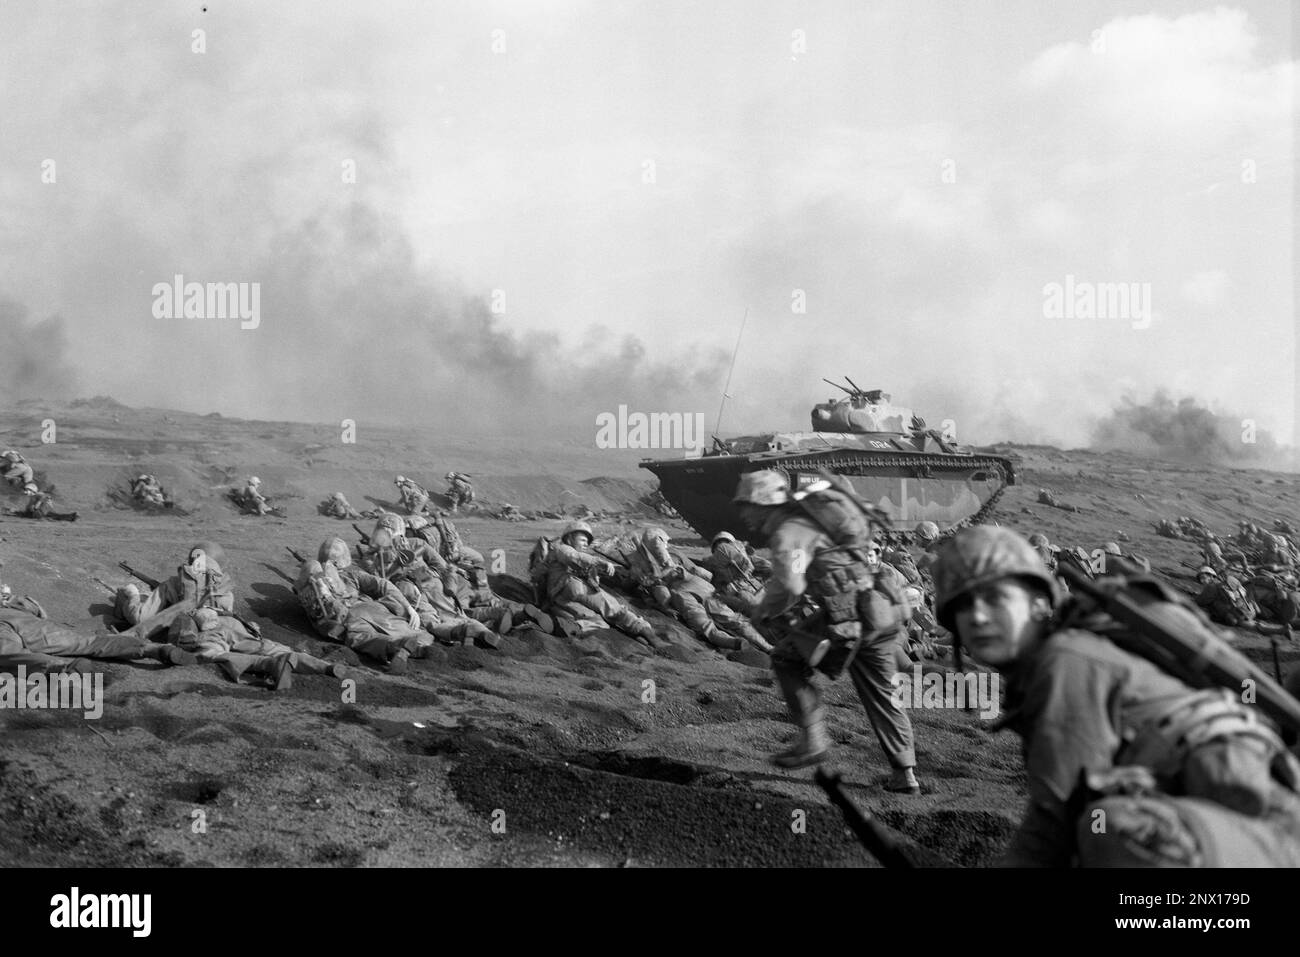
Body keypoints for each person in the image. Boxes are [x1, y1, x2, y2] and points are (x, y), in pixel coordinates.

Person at [932, 525, 1300, 867]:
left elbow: (1052, 820)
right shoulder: (1058, 659)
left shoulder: (1067, 660)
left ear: (1039, 604)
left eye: (995, 598)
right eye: (964, 605)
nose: (977, 616)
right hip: (1232, 829)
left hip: (1270, 837)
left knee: (1110, 826)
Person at [734, 470, 919, 792]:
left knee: (785, 661)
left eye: (746, 505)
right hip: (880, 609)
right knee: (883, 695)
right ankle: (906, 774)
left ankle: (813, 740)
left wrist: (763, 609)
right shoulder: (817, 522)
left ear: (764, 503)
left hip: (846, 617)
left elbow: (791, 583)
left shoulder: (789, 532)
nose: (743, 514)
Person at [1, 569, 193, 674]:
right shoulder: (8, 596)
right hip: (20, 616)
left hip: (9, 619)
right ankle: (152, 649)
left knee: (8, 653)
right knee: (84, 642)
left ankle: (59, 667)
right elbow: (36, 610)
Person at [625, 527, 772, 653]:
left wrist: (664, 605)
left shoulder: (640, 566)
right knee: (735, 620)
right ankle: (767, 647)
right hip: (699, 584)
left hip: (680, 593)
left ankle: (731, 641)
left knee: (705, 626)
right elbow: (697, 570)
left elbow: (654, 589)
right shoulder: (675, 553)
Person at [295, 538, 430, 674]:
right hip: (369, 608)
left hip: (345, 618)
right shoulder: (352, 574)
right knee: (415, 634)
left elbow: (318, 612)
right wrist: (409, 608)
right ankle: (423, 645)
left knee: (363, 638)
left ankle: (393, 647)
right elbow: (383, 585)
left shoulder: (313, 583)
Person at [534, 521, 660, 647]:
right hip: (573, 586)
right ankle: (650, 635)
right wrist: (601, 563)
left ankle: (568, 626)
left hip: (559, 598)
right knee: (614, 609)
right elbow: (573, 557)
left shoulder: (555, 556)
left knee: (597, 622)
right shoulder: (563, 548)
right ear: (570, 538)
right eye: (582, 540)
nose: (586, 544)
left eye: (587, 542)